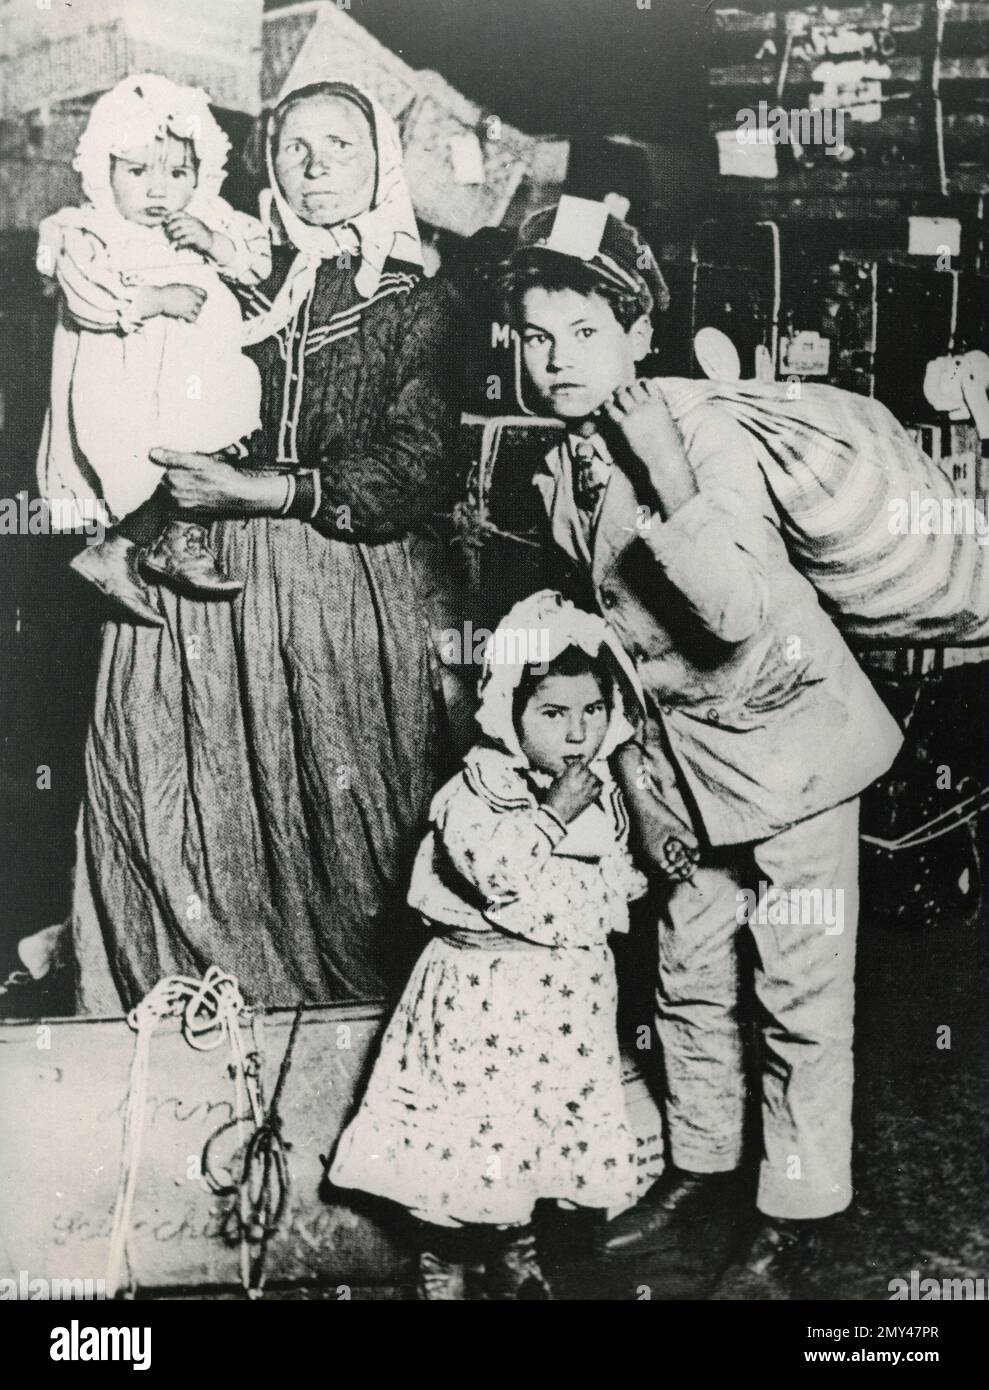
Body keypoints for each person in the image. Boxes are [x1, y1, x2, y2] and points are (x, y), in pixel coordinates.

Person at [497, 198, 904, 1298]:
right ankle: (701, 1167)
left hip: (795, 752)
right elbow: (614, 645)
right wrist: (637, 780)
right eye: (536, 336)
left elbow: (726, 611)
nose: (555, 359)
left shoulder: (698, 429)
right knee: (683, 971)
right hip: (685, 766)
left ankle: (796, 1211)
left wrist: (666, 466)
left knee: (796, 987)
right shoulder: (560, 462)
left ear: (637, 332)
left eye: (584, 332)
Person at [71, 80, 461, 1012]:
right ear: (268, 167)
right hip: (196, 566)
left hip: (341, 579)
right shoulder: (231, 267)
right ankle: (180, 1027)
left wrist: (269, 488)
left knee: (344, 829)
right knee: (175, 799)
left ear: (381, 164)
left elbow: (416, 465)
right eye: (295, 148)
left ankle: (344, 1049)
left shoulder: (420, 300)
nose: (317, 165)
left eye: (341, 145)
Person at [329, 590, 650, 1300]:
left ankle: (518, 1250)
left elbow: (611, 880)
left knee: (538, 1132)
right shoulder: (476, 790)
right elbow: (497, 873)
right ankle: (442, 1255)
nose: (576, 734)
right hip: (485, 1003)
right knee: (473, 1134)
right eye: (552, 714)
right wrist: (551, 816)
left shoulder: (599, 790)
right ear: (509, 709)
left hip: (562, 1005)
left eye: (591, 712)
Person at [37, 73, 272, 621]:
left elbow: (259, 264)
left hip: (200, 373)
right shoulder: (89, 230)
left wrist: (214, 244)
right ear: (105, 170)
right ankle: (131, 544)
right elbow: (84, 297)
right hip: (128, 380)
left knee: (222, 435)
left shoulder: (209, 217)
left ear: (202, 173)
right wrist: (154, 298)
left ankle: (165, 540)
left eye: (178, 172)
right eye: (137, 171)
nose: (158, 189)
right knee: (142, 462)